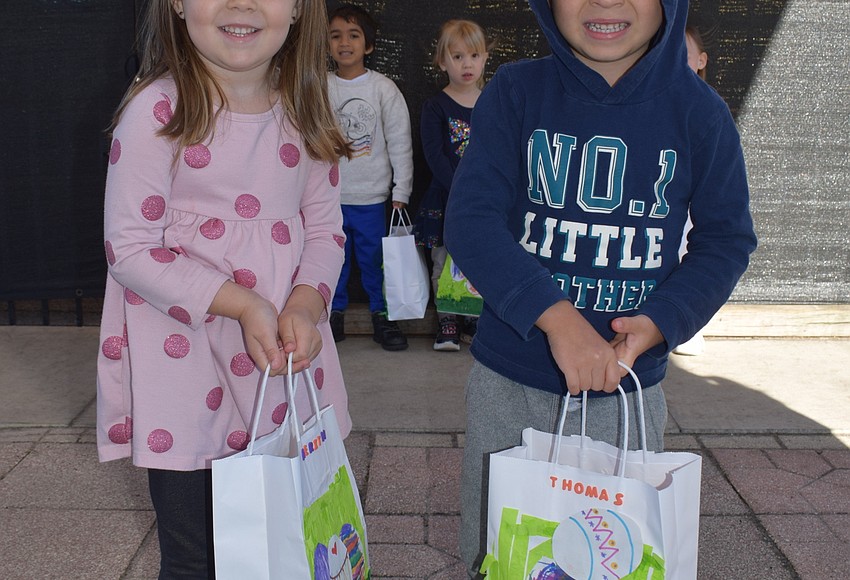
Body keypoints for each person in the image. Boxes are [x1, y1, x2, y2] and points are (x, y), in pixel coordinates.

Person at [444, 0, 757, 574]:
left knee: (616, 556)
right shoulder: (516, 91)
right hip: (509, 386)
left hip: (629, 396)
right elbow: (471, 221)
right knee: (500, 552)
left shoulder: (701, 113)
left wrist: (660, 322)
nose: (604, 4)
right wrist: (557, 319)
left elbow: (726, 241)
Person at [96, 0, 353, 576]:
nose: (242, 4)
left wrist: (307, 307)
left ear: (298, 9)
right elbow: (129, 247)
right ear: (178, 4)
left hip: (281, 364)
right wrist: (243, 304)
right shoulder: (157, 110)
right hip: (184, 373)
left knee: (292, 540)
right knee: (195, 556)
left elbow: (326, 232)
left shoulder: (304, 106)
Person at [326, 3, 413, 351]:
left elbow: (400, 142)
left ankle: (383, 317)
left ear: (369, 45)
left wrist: (401, 190)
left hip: (373, 199)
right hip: (327, 199)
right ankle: (331, 315)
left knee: (377, 263)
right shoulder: (318, 86)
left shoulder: (383, 89)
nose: (344, 42)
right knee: (332, 262)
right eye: (335, 36)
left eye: (353, 35)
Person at [413, 19, 490, 351]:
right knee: (444, 260)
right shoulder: (435, 107)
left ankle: (472, 319)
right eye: (457, 57)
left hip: (485, 201)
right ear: (442, 62)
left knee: (480, 257)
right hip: (446, 198)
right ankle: (447, 321)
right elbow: (434, 155)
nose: (467, 64)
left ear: (486, 57)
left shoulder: (493, 103)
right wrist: (460, 189)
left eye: (473, 55)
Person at [674, 24, 711, 355]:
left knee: (692, 248)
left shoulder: (711, 112)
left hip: (694, 199)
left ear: (701, 60)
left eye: (682, 55)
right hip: (666, 195)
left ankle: (690, 323)